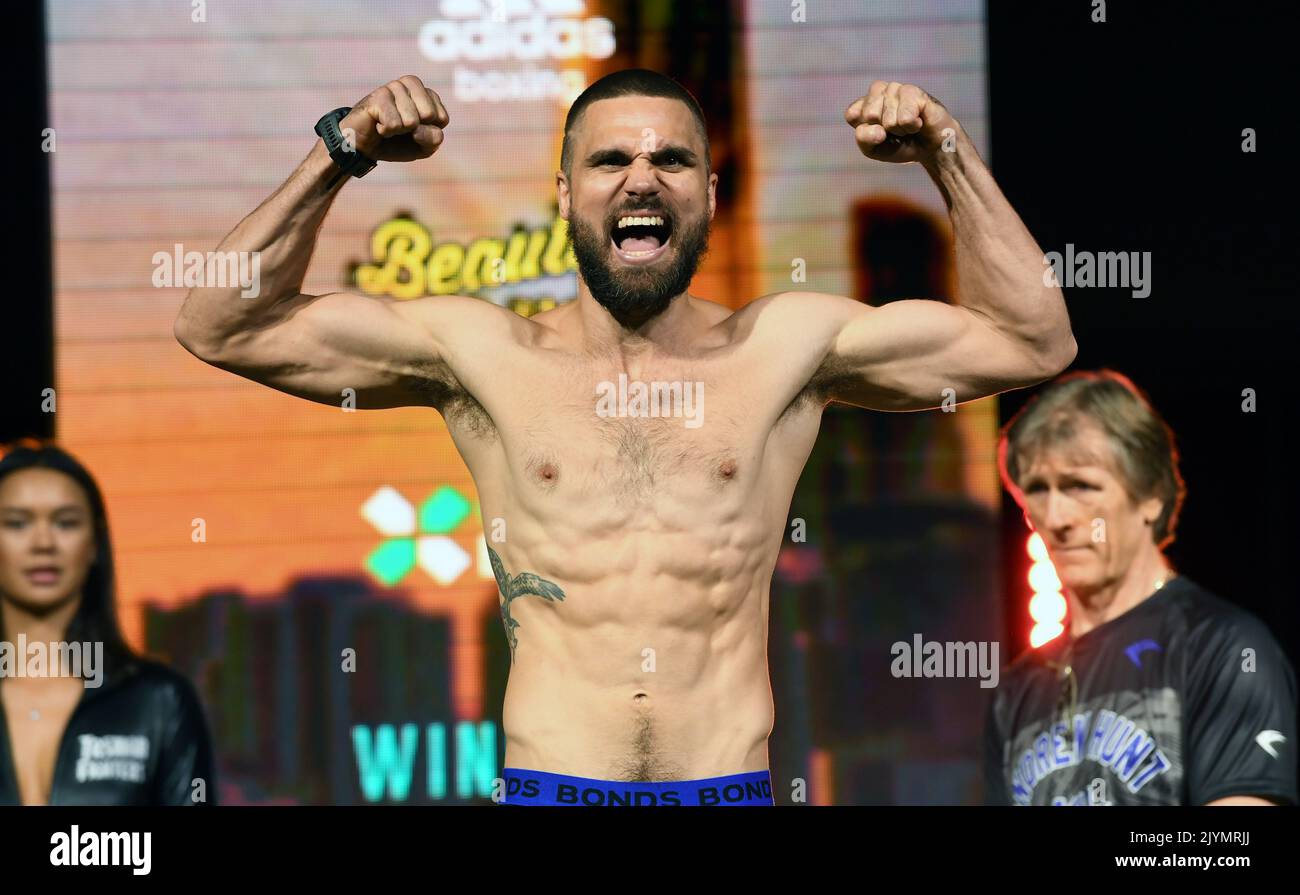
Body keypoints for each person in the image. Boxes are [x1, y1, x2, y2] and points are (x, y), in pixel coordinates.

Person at [174, 69, 1075, 805]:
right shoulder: (481, 354)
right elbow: (222, 323)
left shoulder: (785, 349)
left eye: (672, 160)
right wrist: (343, 151)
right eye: (610, 161)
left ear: (712, 194)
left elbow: (1036, 339)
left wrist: (945, 150)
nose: (642, 179)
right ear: (565, 194)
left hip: (727, 788)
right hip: (548, 788)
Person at [985, 370, 1296, 805]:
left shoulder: (1223, 647)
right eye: (1037, 489)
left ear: (1150, 496)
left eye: (1080, 486)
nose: (1056, 518)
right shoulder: (1017, 690)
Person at [0, 439, 216, 805]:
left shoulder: (157, 701)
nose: (43, 542)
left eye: (66, 523)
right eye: (17, 523)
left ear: (95, 545)